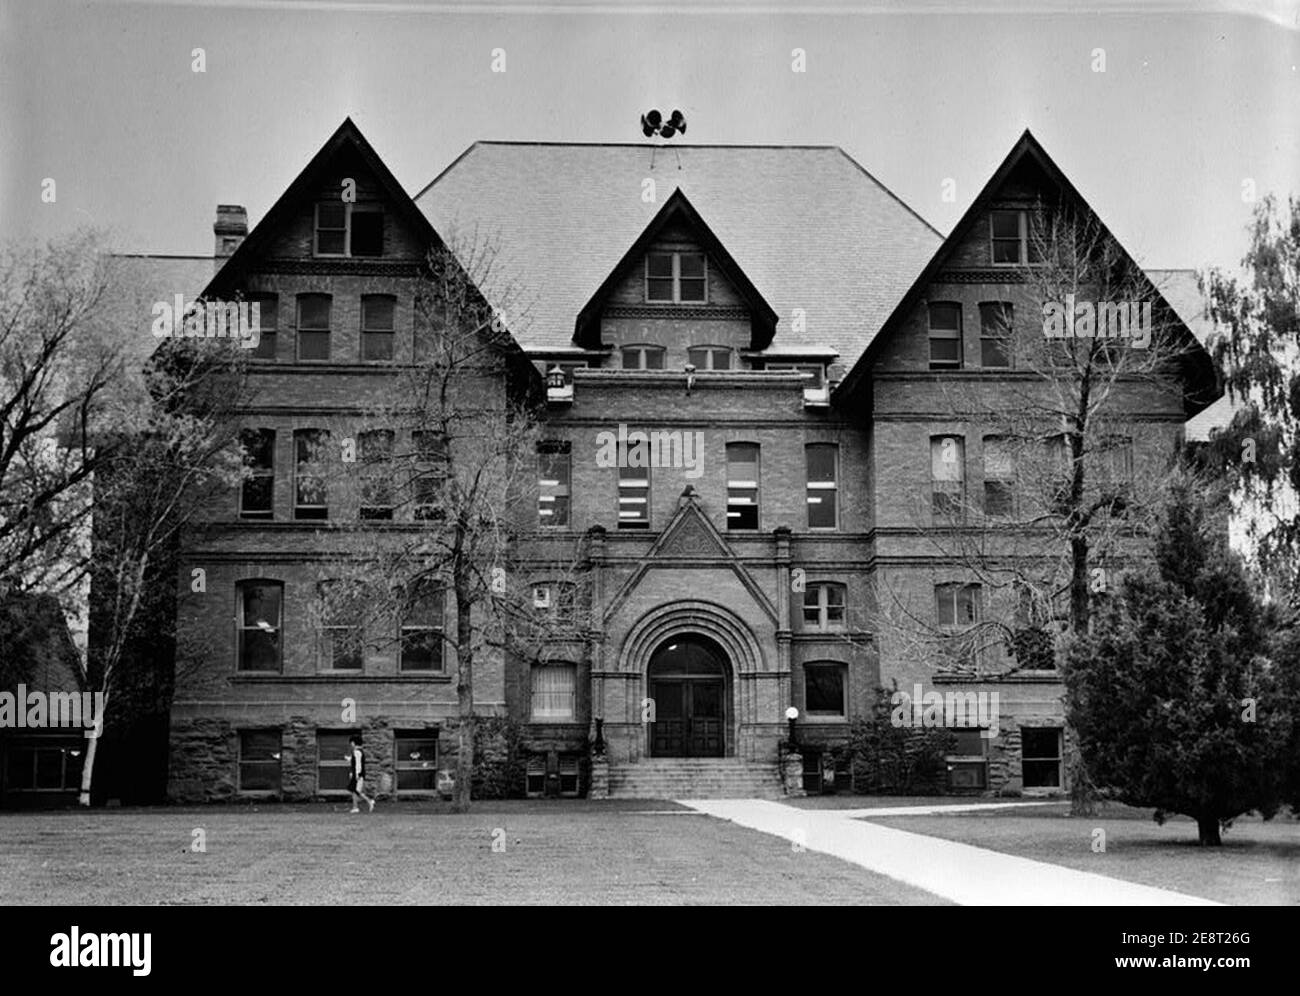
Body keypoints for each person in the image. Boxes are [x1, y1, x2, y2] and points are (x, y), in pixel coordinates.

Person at [348, 735, 376, 813]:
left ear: (353, 743)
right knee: (354, 790)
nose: (351, 745)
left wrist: (357, 774)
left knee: (357, 791)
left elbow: (358, 764)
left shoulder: (357, 752)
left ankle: (369, 801)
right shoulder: (358, 752)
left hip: (358, 774)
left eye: (351, 743)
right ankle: (355, 806)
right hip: (357, 774)